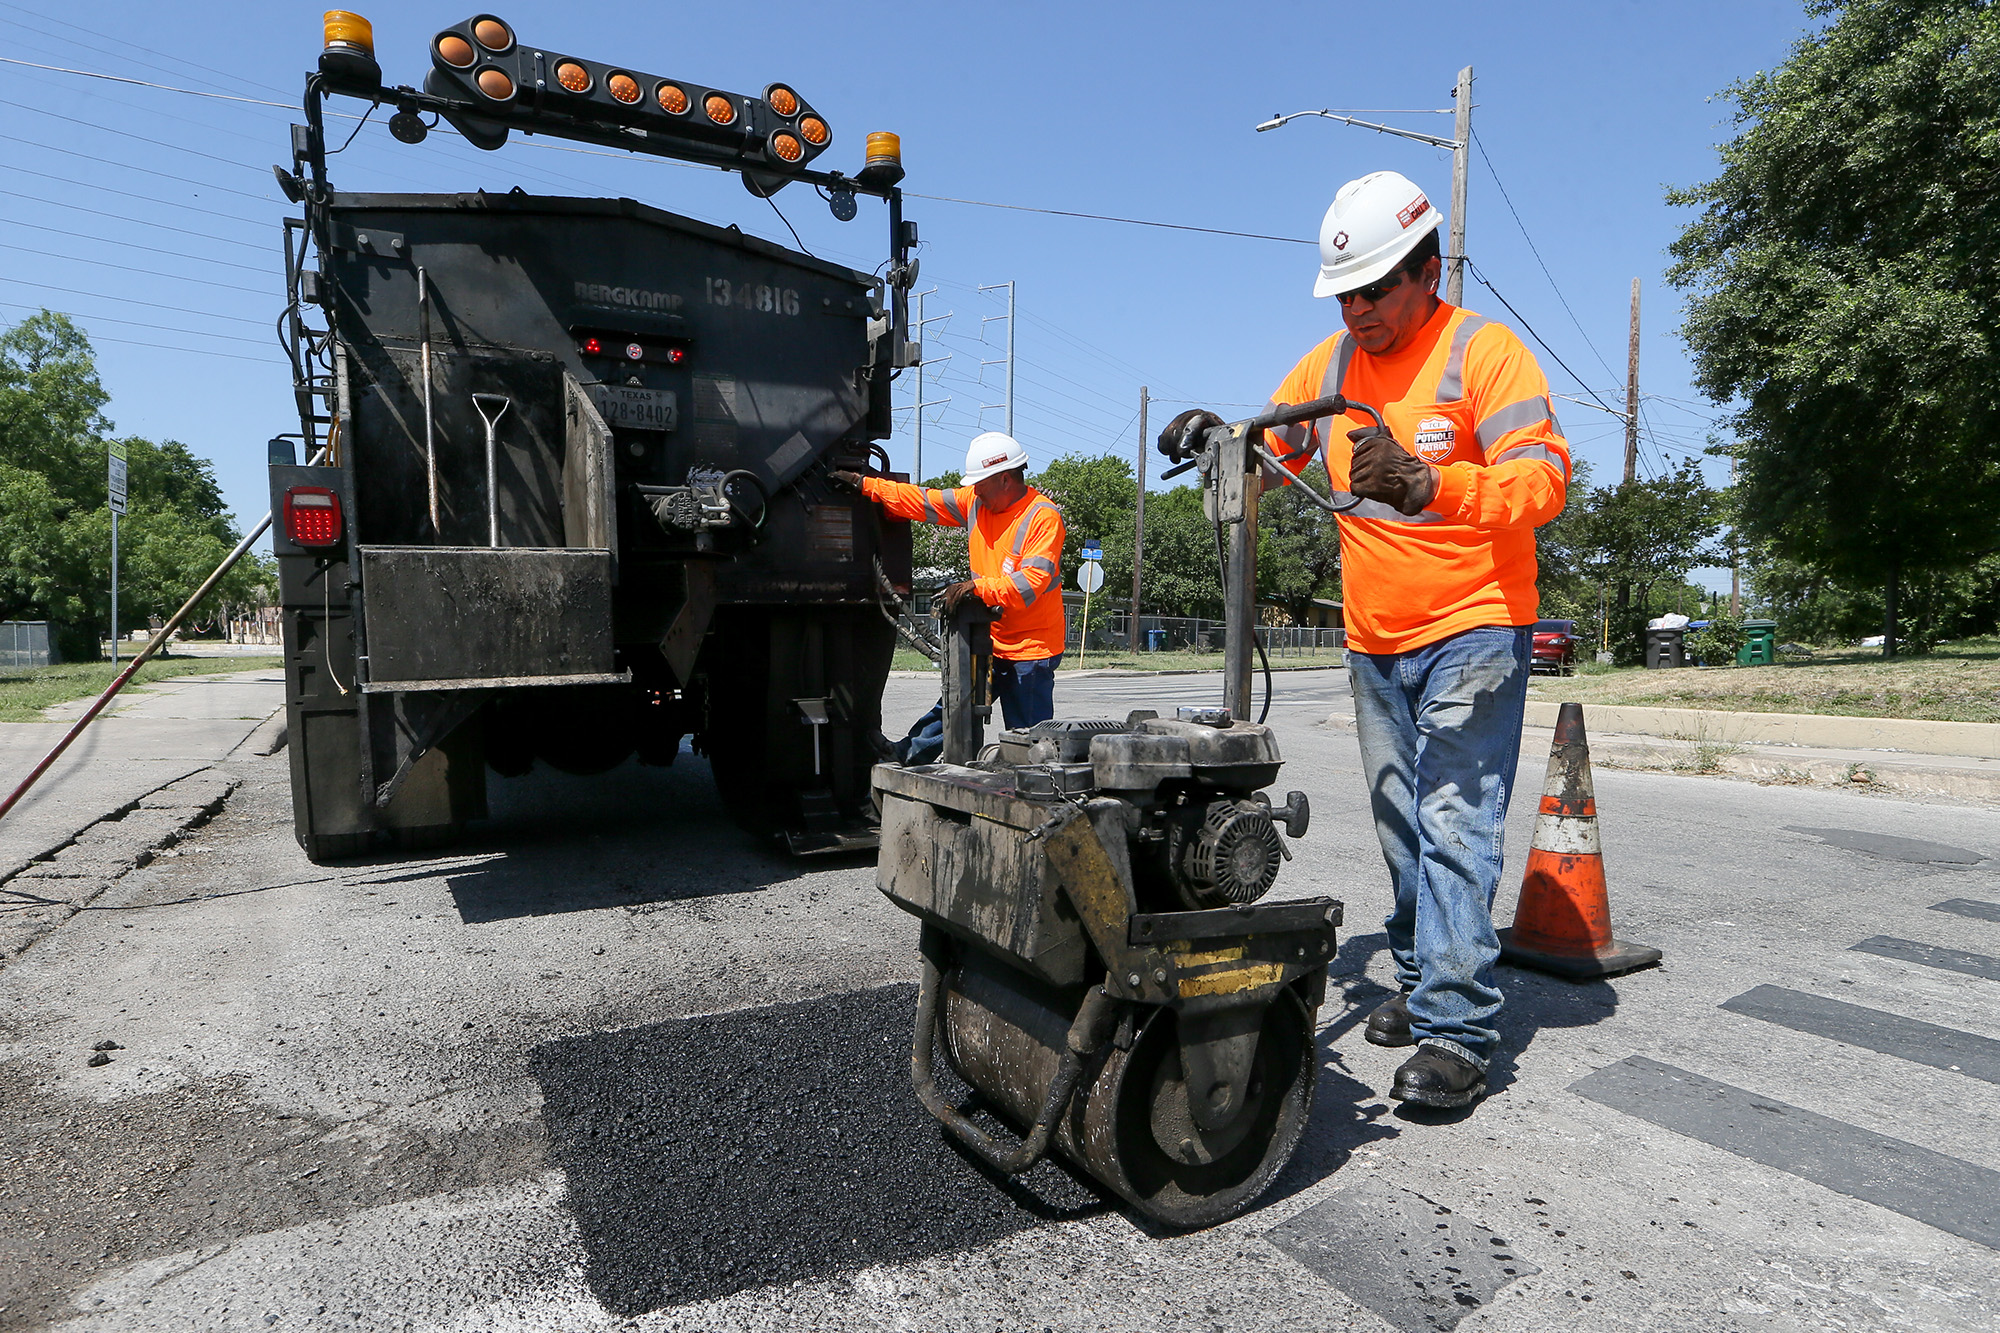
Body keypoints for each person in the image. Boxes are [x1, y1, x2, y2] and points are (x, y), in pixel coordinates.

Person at [1162, 170, 1570, 1109]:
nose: (1358, 310)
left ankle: (1457, 1028)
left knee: (1454, 819)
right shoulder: (1332, 368)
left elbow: (1543, 481)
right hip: (1375, 637)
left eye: (1375, 289)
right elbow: (1272, 455)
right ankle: (1424, 980)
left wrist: (1432, 483)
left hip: (1474, 626)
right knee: (1399, 821)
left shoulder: (1485, 353)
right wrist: (1222, 440)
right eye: (1345, 295)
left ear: (1428, 270)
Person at [833, 432, 1066, 755]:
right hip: (988, 636)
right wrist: (866, 485)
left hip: (1031, 649)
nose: (975, 490)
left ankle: (1033, 777)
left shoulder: (1042, 517)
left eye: (980, 483)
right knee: (954, 706)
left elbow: (1030, 583)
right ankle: (906, 754)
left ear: (1005, 478)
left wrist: (976, 587)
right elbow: (922, 500)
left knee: (1029, 738)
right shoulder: (976, 502)